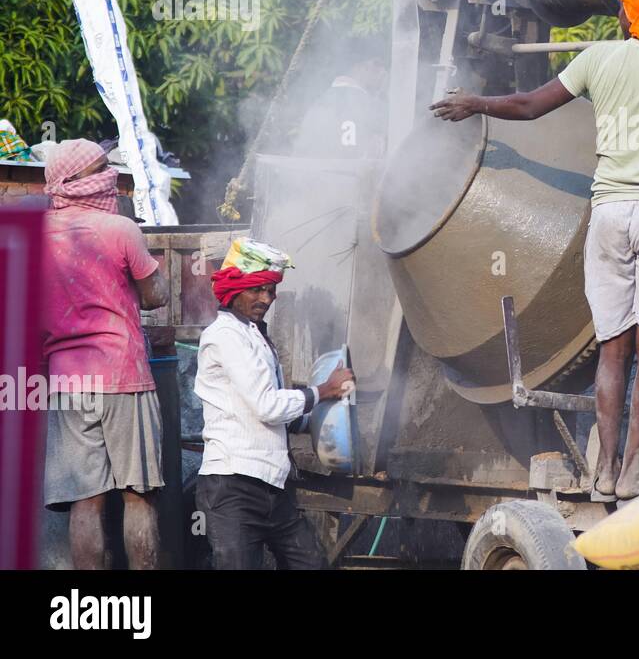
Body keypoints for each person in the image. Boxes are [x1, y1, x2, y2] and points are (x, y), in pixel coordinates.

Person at [432, 0, 639, 502]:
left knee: (613, 349)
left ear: (628, 13)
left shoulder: (598, 59)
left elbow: (529, 106)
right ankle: (633, 472)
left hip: (610, 215)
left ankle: (603, 474)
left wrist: (476, 103)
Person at [41, 138, 169, 569]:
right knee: (139, 494)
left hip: (65, 382)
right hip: (123, 374)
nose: (107, 176)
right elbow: (156, 296)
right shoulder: (121, 229)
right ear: (76, 181)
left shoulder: (39, 235)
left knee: (86, 501)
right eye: (99, 169)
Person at [195, 238, 354, 569]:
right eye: (257, 290)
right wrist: (323, 390)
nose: (266, 299)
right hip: (232, 488)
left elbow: (280, 418)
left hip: (270, 488)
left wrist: (331, 418)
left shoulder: (255, 335)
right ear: (235, 289)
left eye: (270, 291)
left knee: (311, 563)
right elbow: (267, 406)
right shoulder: (225, 336)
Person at [292, 51, 387, 159]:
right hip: (352, 174)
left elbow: (300, 152)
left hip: (311, 174)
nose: (383, 72)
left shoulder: (318, 102)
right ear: (358, 67)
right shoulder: (369, 106)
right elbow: (375, 156)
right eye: (377, 65)